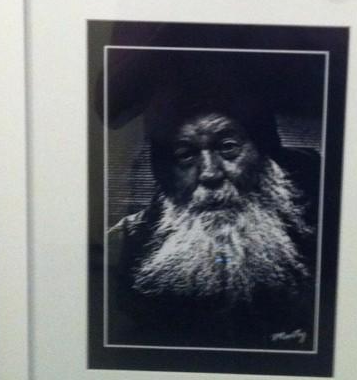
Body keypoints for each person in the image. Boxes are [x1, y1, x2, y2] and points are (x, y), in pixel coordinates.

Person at [105, 81, 321, 351]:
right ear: (165, 173)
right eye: (185, 154)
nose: (210, 173)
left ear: (265, 153)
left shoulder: (326, 225)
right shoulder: (123, 245)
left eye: (227, 147)